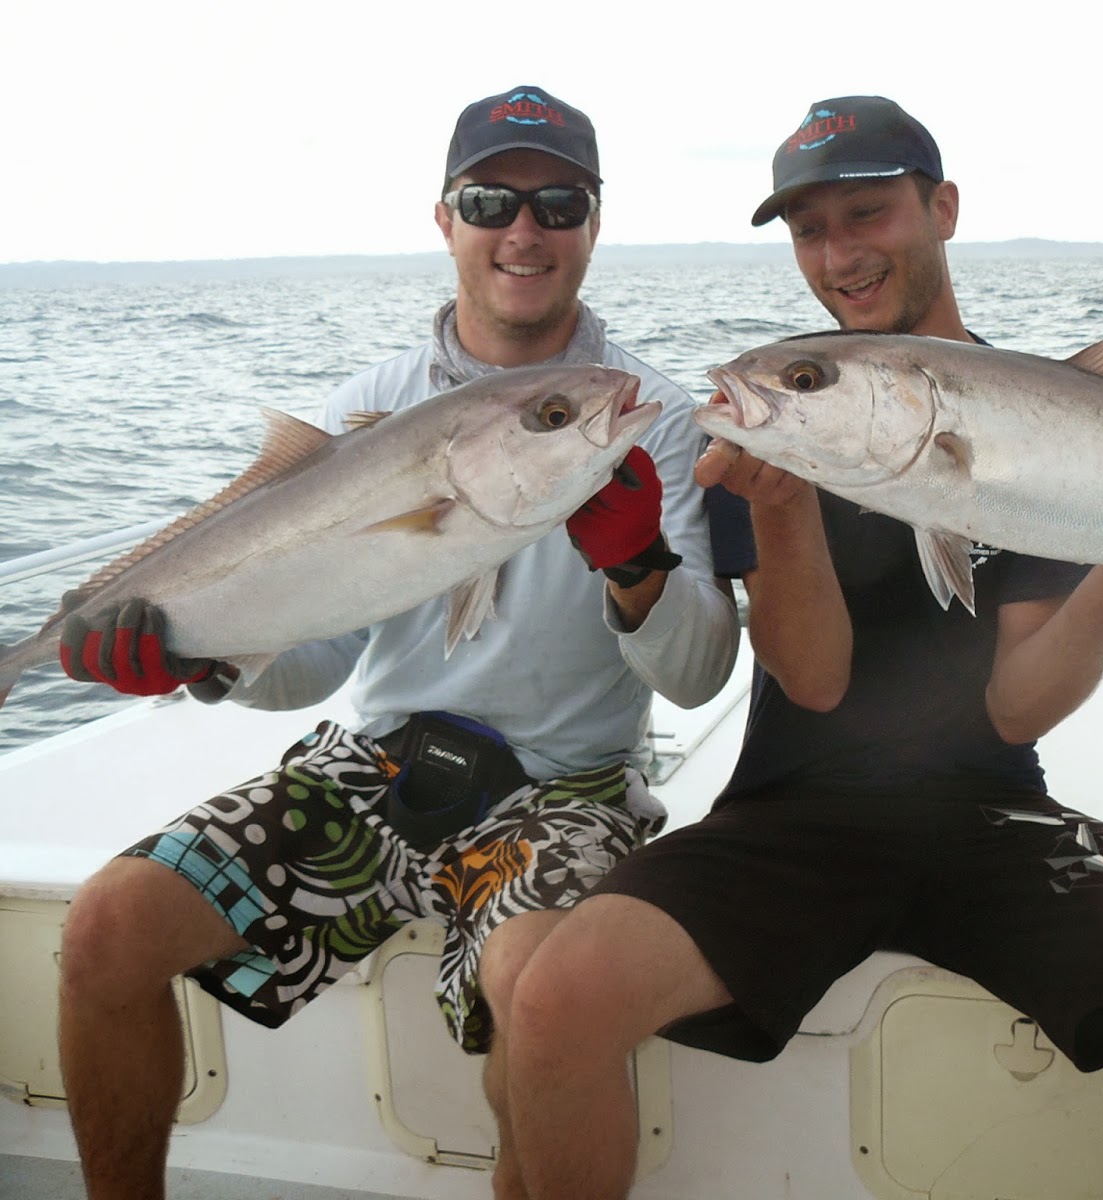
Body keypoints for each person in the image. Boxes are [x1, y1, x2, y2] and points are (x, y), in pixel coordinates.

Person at [499, 96, 1103, 1200]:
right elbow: (814, 682)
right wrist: (780, 508)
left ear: (943, 207)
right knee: (552, 998)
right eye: (810, 230)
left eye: (869, 214)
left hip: (993, 818)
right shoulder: (770, 422)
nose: (839, 254)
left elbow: (1016, 707)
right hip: (789, 820)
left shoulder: (1055, 425)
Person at [53, 85, 739, 1200]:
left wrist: (637, 566)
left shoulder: (641, 413)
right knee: (105, 927)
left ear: (593, 224)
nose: (525, 230)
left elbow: (700, 675)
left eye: (559, 203)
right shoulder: (371, 407)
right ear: (445, 219)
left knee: (541, 990)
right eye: (492, 201)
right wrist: (208, 660)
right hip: (367, 776)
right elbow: (317, 664)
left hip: (563, 792)